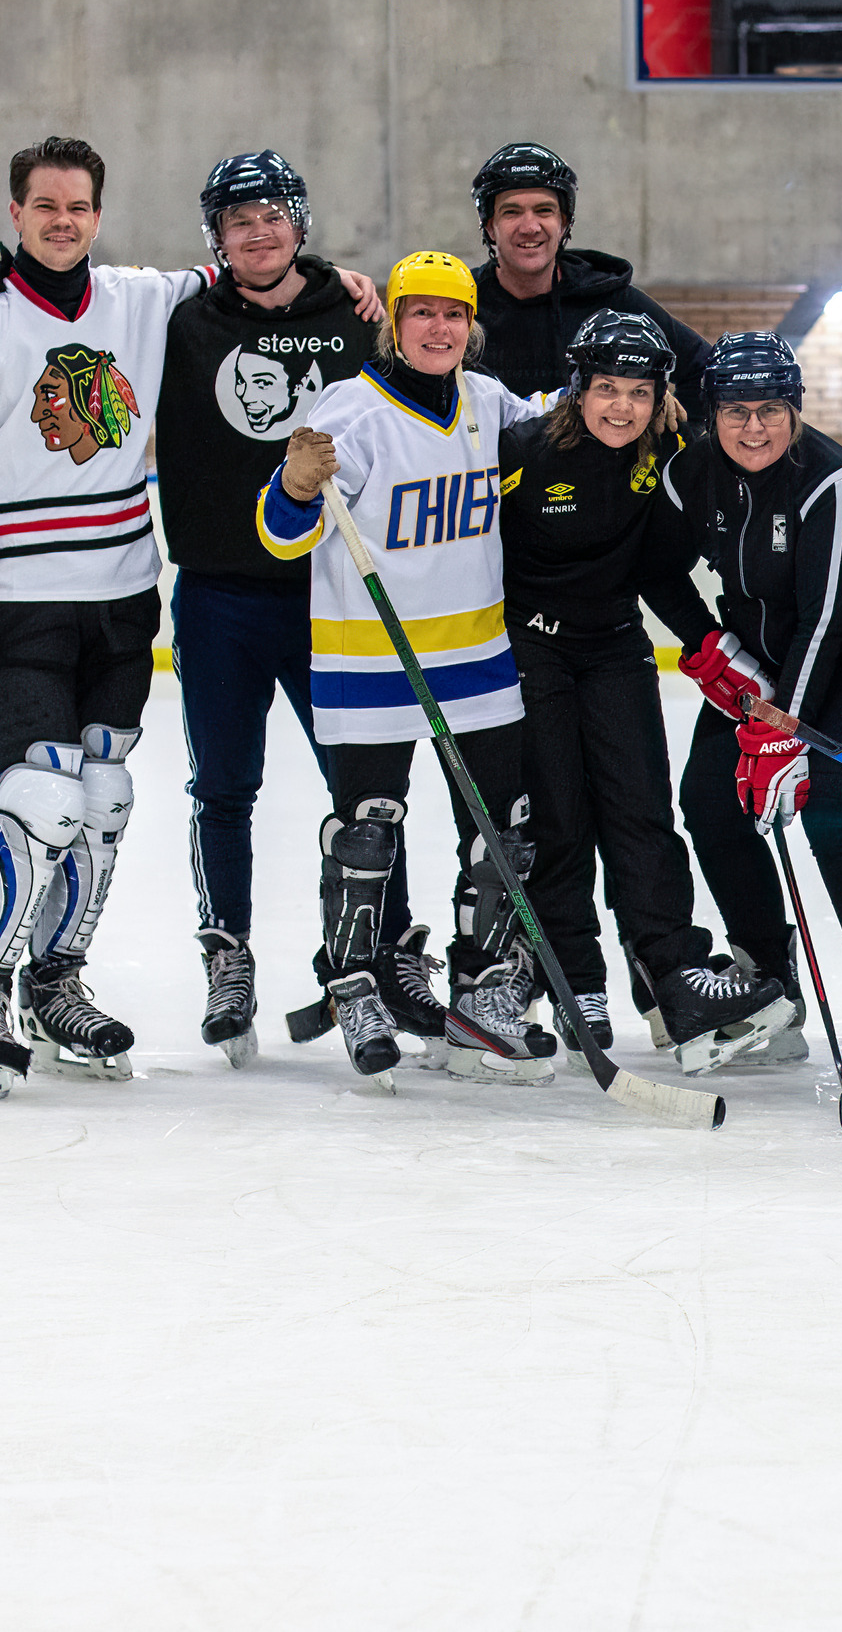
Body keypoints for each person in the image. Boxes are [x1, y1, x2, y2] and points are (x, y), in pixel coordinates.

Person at [0, 136, 211, 1098]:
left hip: (121, 597)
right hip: (17, 603)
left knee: (104, 799)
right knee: (41, 795)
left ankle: (55, 979)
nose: (63, 221)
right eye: (45, 206)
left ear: (99, 214)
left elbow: (242, 271)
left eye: (78, 206)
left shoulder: (138, 298)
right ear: (16, 215)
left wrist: (345, 287)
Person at [255, 250, 561, 1086]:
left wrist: (639, 394)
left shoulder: (487, 402)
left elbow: (565, 419)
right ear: (394, 322)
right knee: (365, 832)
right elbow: (280, 534)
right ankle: (356, 985)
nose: (438, 328)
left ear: (472, 326)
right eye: (421, 313)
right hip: (371, 661)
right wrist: (291, 483)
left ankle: (484, 988)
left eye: (453, 314)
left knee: (502, 832)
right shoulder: (350, 410)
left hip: (476, 660)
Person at [496, 310, 800, 1071]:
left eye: (638, 390)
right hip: (531, 653)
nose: (621, 407)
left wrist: (706, 643)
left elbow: (664, 569)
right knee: (560, 819)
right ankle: (577, 980)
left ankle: (673, 973)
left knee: (642, 815)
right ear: (578, 388)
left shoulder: (674, 454)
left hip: (614, 650)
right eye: (605, 389)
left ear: (661, 392)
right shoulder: (523, 451)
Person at [150, 151, 386, 1067]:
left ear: (302, 222)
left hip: (332, 598)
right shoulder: (183, 324)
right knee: (222, 787)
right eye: (237, 219)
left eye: (273, 214)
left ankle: (365, 957)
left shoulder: (357, 313)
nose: (258, 231)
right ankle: (229, 955)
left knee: (362, 792)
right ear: (217, 237)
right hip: (218, 595)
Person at [660, 331, 842, 1085]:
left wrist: (783, 732)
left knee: (836, 807)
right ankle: (766, 978)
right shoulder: (691, 474)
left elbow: (829, 617)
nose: (753, 427)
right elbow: (655, 568)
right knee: (710, 800)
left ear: (795, 410)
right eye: (736, 410)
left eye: (771, 409)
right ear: (711, 412)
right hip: (769, 662)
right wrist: (710, 644)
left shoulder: (832, 480)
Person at [468, 141, 709, 410]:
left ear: (564, 223)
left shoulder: (608, 299)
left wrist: (683, 442)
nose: (530, 227)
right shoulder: (459, 303)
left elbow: (705, 366)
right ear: (490, 227)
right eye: (511, 212)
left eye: (544, 210)